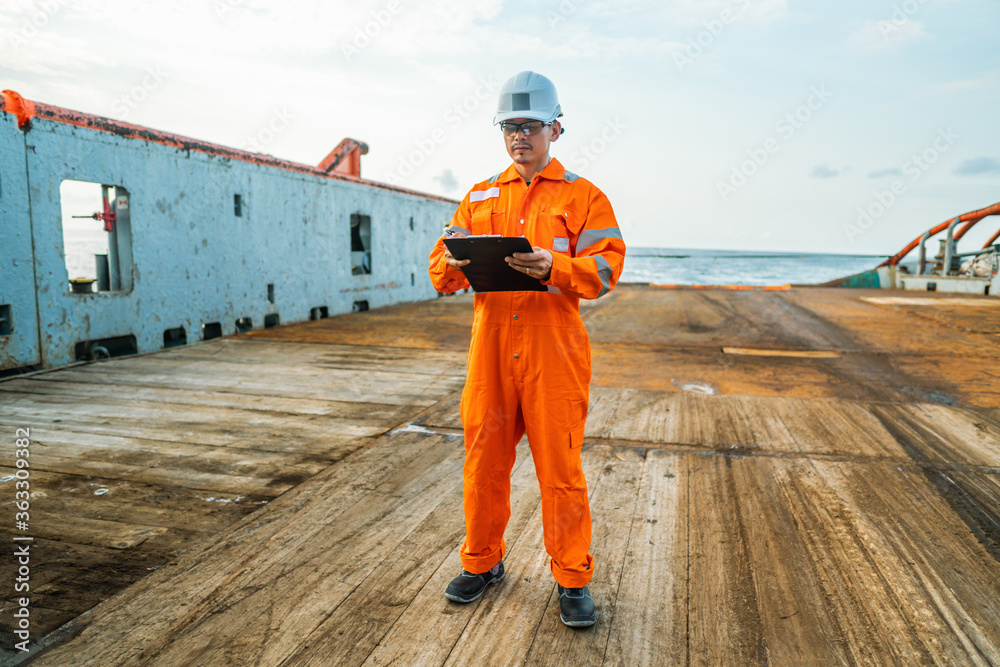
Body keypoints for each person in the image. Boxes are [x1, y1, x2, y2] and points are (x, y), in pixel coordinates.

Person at [427, 71, 626, 628]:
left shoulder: (585, 197)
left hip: (552, 354)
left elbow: (606, 269)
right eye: (510, 127)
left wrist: (555, 267)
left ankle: (571, 578)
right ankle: (483, 562)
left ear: (555, 129)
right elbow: (438, 271)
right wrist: (456, 263)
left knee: (560, 469)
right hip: (490, 353)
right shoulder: (479, 195)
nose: (520, 137)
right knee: (483, 464)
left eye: (531, 127)